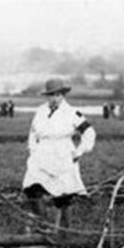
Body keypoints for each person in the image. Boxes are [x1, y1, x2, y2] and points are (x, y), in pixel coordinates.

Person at [22, 77, 96, 231]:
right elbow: (32, 132)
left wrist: (79, 151)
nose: (54, 98)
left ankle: (64, 232)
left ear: (63, 95)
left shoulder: (72, 113)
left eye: (57, 95)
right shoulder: (41, 111)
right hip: (41, 156)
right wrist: (32, 148)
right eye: (51, 95)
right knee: (32, 189)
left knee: (63, 196)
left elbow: (90, 133)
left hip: (62, 155)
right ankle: (44, 226)